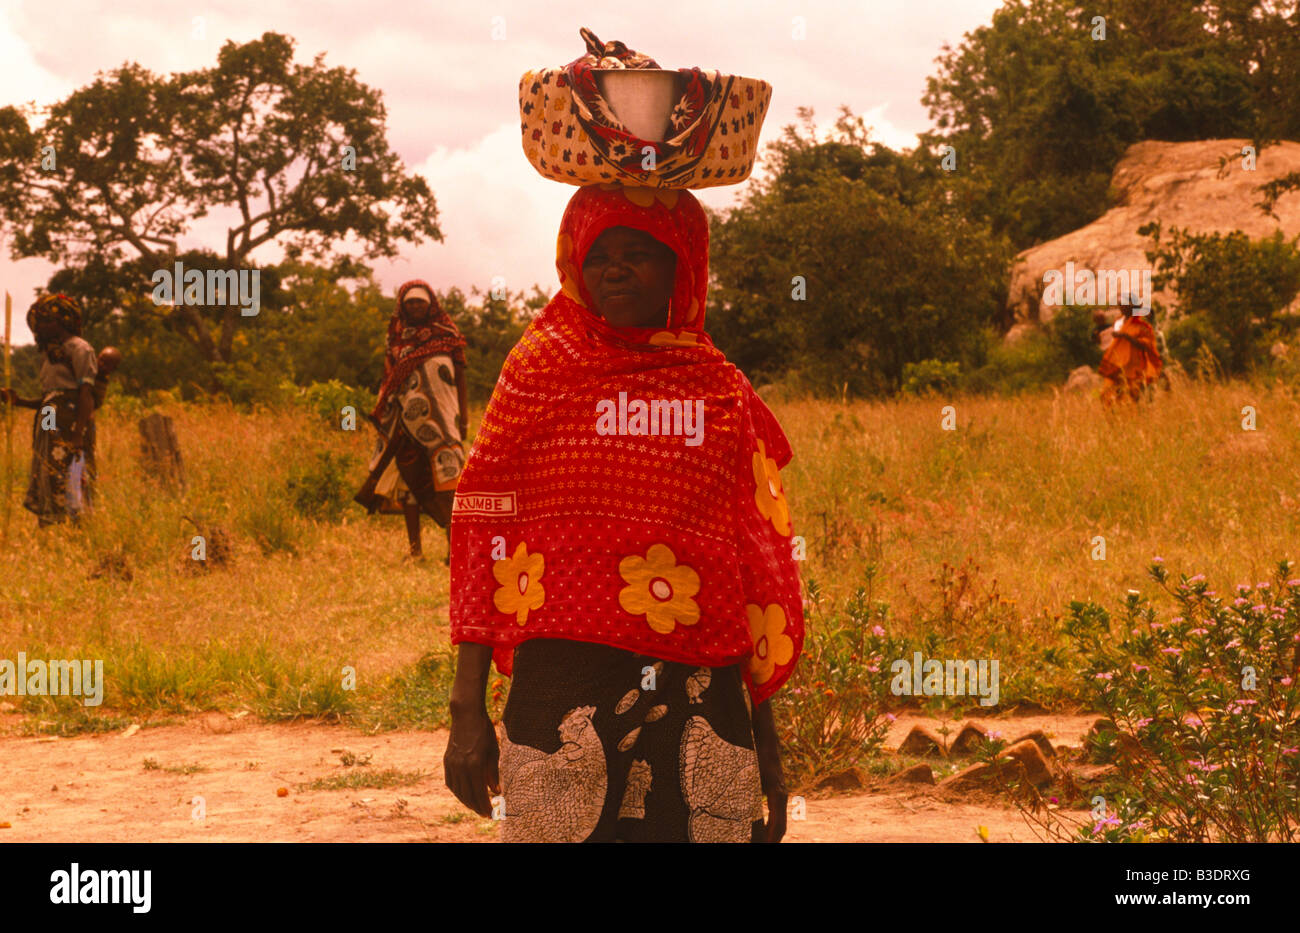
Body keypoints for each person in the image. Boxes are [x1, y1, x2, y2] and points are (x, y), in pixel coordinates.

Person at [443, 184, 804, 843]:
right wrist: (466, 705)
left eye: (641, 251)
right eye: (601, 252)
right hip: (561, 685)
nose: (616, 267)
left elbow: (752, 571)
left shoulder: (716, 388)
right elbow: (482, 523)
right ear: (574, 263)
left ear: (682, 267)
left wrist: (767, 744)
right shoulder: (541, 369)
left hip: (698, 689)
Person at [355, 281, 469, 562]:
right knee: (410, 488)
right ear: (402, 308)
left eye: (420, 302)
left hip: (444, 422)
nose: (416, 307)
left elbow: (461, 377)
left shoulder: (449, 335)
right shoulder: (396, 341)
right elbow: (389, 381)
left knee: (449, 483)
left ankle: (453, 550)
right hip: (408, 423)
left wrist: (464, 417)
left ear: (431, 304)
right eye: (410, 303)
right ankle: (414, 550)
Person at [0, 294, 99, 526]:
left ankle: (77, 524)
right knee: (46, 467)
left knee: (72, 470)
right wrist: (19, 401)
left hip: (71, 421)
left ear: (61, 322)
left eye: (43, 322)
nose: (38, 328)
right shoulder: (49, 354)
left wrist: (78, 434)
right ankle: (49, 521)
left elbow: (85, 394)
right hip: (49, 418)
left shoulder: (80, 348)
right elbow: (49, 398)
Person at [1098, 296, 1163, 406]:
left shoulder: (1141, 324)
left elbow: (1146, 344)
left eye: (1123, 304)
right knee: (1106, 394)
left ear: (1131, 305)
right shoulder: (1118, 321)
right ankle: (1115, 419)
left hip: (1135, 367)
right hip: (1118, 365)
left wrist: (1126, 336)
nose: (1120, 307)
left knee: (1134, 398)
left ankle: (1133, 419)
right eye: (1119, 304)